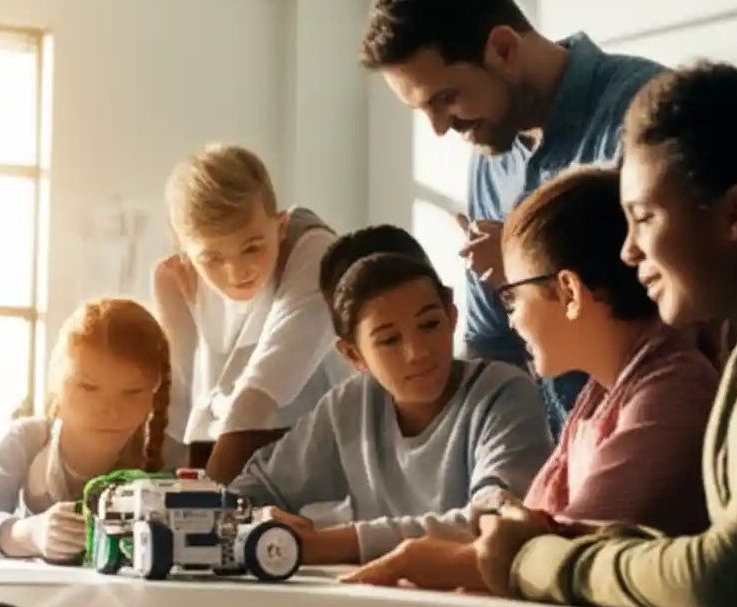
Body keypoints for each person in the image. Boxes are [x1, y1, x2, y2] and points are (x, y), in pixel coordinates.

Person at [344, 167, 716, 591]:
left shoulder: (670, 393)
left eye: (511, 295)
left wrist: (444, 562)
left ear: (569, 293)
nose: (512, 318)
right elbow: (525, 528)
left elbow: (567, 550)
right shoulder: (602, 394)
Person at [472, 62, 737, 607]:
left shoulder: (673, 384)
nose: (627, 253)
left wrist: (533, 557)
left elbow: (723, 575)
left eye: (643, 218)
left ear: (736, 212)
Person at [360, 0, 665, 435]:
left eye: (446, 98)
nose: (440, 129)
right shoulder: (489, 158)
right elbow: (493, 348)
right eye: (422, 110)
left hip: (661, 439)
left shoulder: (645, 117)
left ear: (503, 49)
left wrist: (519, 271)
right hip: (560, 461)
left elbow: (674, 320)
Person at [232, 231, 551, 565]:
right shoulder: (350, 406)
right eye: (388, 340)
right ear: (353, 355)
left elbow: (499, 520)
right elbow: (254, 488)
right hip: (381, 602)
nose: (417, 353)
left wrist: (325, 544)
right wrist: (261, 517)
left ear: (452, 316)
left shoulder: (504, 393)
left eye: (429, 324)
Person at [153, 144, 350, 484]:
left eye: (253, 247)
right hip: (219, 447)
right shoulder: (175, 277)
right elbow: (176, 404)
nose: (237, 271)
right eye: (212, 259)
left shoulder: (314, 251)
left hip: (325, 451)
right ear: (186, 254)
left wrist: (202, 503)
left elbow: (260, 392)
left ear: (281, 226)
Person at [0, 298, 171, 562]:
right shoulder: (29, 439)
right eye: (88, 388)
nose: (110, 410)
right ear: (55, 379)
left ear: (154, 390)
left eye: (132, 393)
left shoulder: (168, 451)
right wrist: (31, 534)